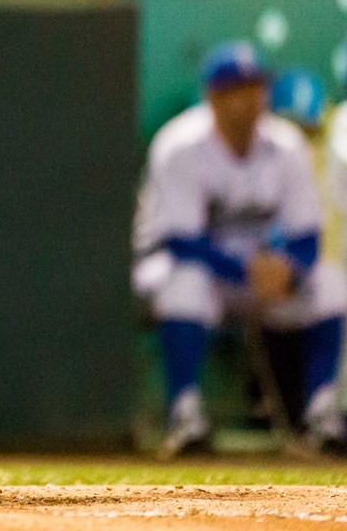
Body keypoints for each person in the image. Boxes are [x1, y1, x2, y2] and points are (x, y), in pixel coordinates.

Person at [133, 42, 347, 457]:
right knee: (185, 285)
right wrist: (248, 270)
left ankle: (322, 415)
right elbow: (181, 239)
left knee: (331, 282)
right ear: (213, 97)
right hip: (188, 267)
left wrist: (292, 270)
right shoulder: (179, 144)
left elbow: (306, 233)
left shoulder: (285, 144)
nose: (252, 99)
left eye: (257, 87)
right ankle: (185, 414)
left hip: (260, 277)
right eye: (238, 89)